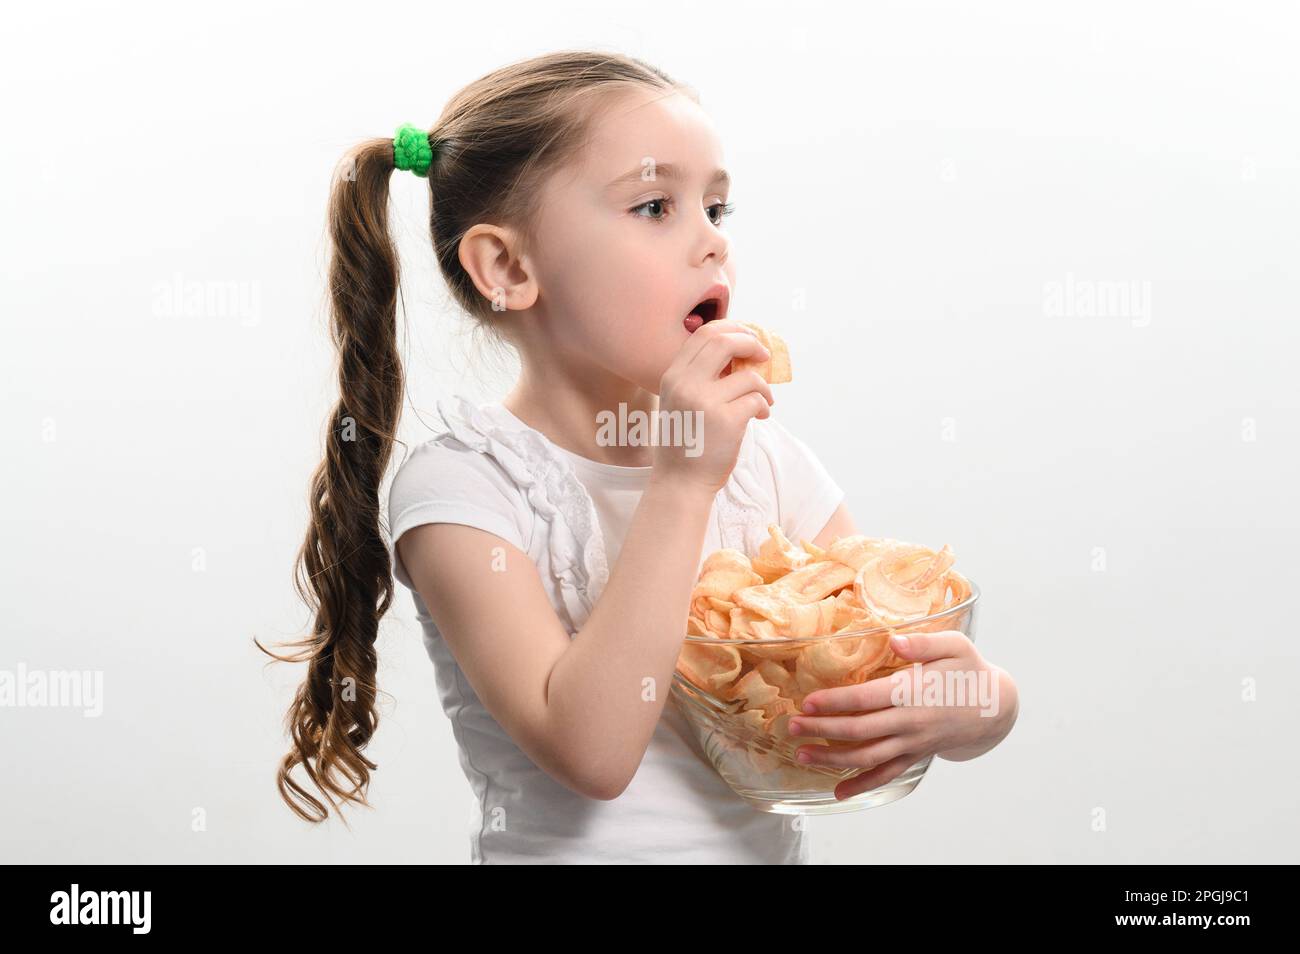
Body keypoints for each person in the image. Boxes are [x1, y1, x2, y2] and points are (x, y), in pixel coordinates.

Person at [263, 49, 1018, 864]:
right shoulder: (465, 488)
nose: (711, 246)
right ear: (509, 267)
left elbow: (867, 662)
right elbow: (591, 752)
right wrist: (686, 479)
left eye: (717, 211)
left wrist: (979, 706)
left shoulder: (767, 465)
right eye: (656, 206)